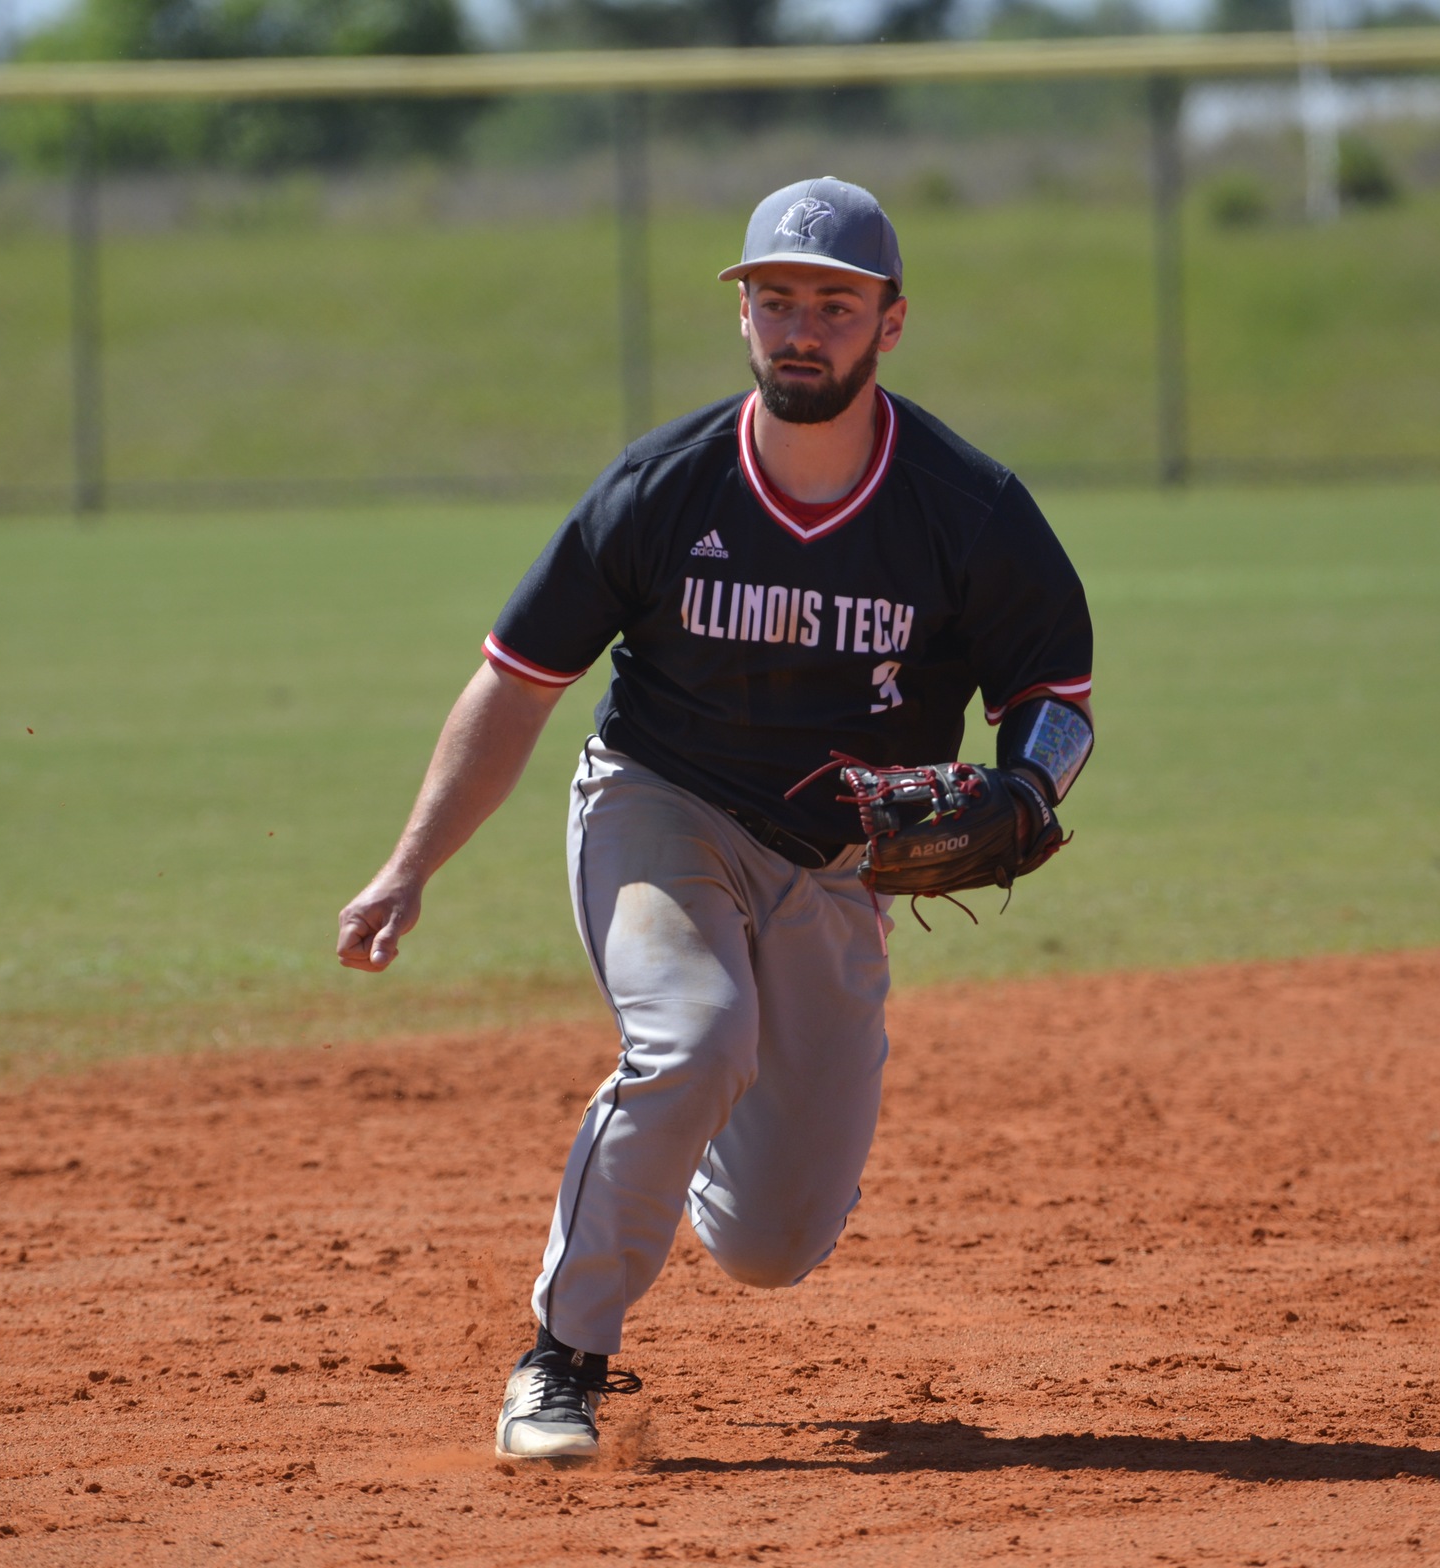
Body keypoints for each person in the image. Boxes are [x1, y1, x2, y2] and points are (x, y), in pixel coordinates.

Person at [336, 176, 1095, 1461]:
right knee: (694, 1035)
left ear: (890, 325)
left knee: (771, 1242)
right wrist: (410, 867)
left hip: (839, 862)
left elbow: (1055, 693)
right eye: (777, 299)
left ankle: (677, 1124)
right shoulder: (662, 489)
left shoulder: (967, 510)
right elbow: (516, 683)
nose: (803, 328)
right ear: (744, 315)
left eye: (835, 305)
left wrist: (1026, 787)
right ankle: (559, 1360)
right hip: (660, 807)